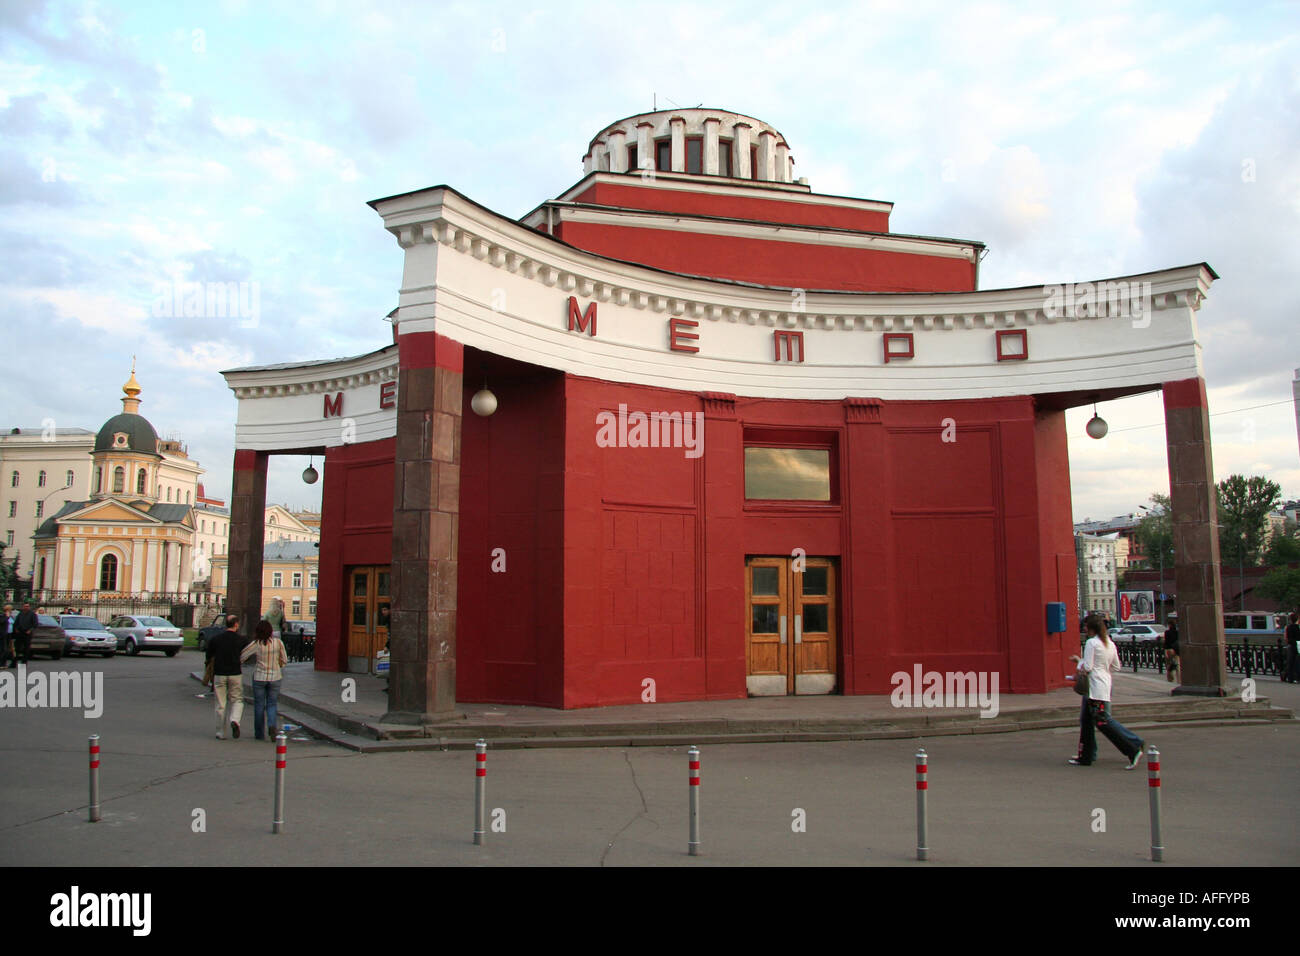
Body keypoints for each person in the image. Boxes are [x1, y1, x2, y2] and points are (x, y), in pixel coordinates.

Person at [1068, 613, 1145, 768]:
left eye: (1085, 625)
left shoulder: (1091, 643)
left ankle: (1133, 745)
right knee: (1087, 720)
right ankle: (1086, 755)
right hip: (1104, 684)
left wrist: (1078, 662)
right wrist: (1102, 669)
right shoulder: (1109, 643)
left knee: (1103, 720)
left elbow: (1088, 667)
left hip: (1094, 687)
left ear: (1091, 628)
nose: (1083, 628)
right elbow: (1116, 666)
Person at [240, 620, 288, 741]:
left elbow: (242, 655)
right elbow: (284, 659)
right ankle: (272, 725)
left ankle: (259, 733)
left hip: (259, 677)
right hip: (275, 677)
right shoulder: (278, 643)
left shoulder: (257, 643)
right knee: (272, 704)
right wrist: (278, 666)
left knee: (259, 705)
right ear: (271, 631)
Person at [205, 614, 246, 739]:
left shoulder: (216, 639)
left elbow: (208, 655)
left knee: (220, 703)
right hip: (235, 673)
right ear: (236, 624)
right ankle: (235, 720)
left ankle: (220, 732)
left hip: (219, 673)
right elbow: (246, 655)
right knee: (237, 700)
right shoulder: (242, 640)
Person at [12, 601, 37, 667]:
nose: (26, 607)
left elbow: (35, 624)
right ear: (23, 607)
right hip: (20, 633)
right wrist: (16, 629)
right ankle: (14, 662)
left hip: (27, 633)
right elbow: (16, 623)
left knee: (26, 649)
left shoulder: (32, 614)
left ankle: (24, 662)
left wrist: (30, 630)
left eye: (27, 606)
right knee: (17, 648)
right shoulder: (20, 614)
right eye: (25, 606)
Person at [1284, 612, 1300, 684]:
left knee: (1290, 662)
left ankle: (1290, 678)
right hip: (1298, 645)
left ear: (1290, 619)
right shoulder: (1298, 627)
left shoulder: (1288, 627)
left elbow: (1287, 638)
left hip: (1291, 645)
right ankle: (1298, 677)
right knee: (1298, 662)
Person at [1163, 616, 1180, 683]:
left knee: (1169, 665)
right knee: (1177, 665)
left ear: (1169, 625)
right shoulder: (1177, 632)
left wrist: (1165, 651)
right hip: (1176, 650)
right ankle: (1179, 680)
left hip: (1169, 650)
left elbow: (1166, 643)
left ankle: (1170, 679)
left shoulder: (1167, 632)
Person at [1, 604, 15, 668]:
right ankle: (2, 663)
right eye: (10, 610)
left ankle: (11, 663)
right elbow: (2, 622)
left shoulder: (11, 617)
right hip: (3, 635)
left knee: (10, 649)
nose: (11, 611)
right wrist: (7, 617)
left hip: (10, 634)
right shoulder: (2, 616)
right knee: (4, 649)